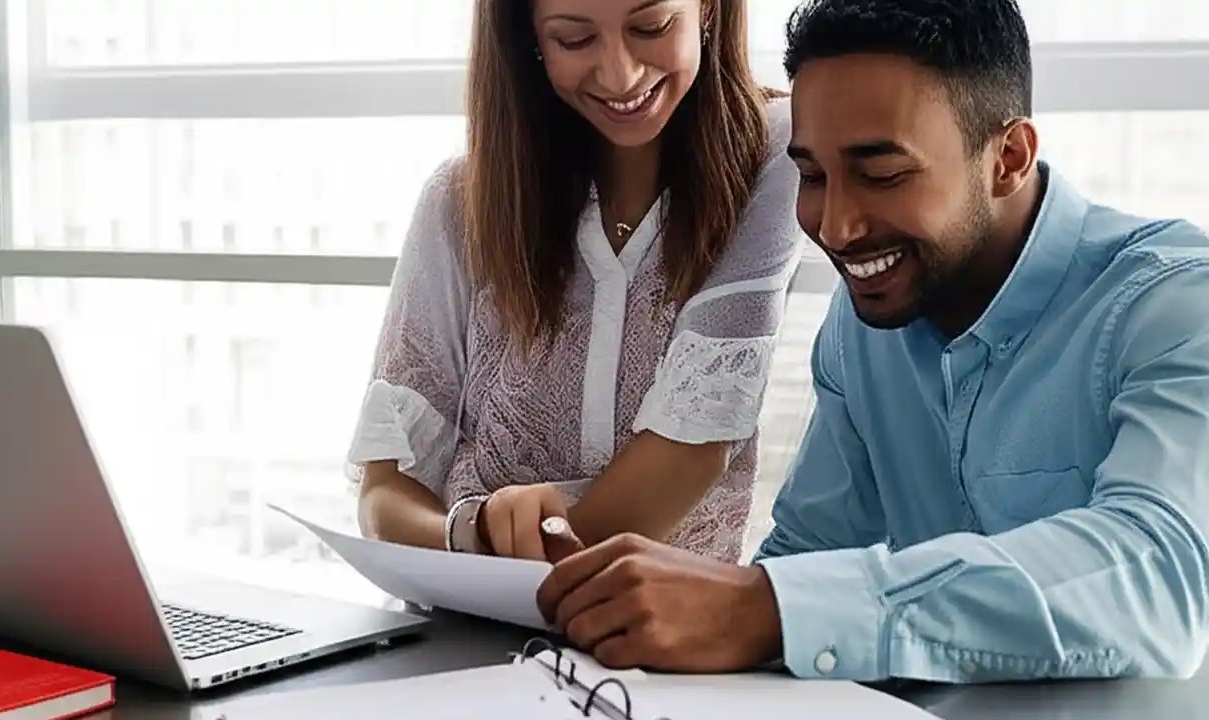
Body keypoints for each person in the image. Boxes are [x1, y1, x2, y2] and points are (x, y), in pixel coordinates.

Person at [537, 0, 1209, 683]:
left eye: (882, 174)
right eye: (813, 175)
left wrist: (771, 609)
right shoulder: (861, 330)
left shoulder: (1177, 304)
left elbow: (1164, 574)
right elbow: (808, 554)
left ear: (1008, 157)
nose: (835, 226)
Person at [346, 0, 803, 565]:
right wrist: (474, 531)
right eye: (574, 40)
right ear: (530, 39)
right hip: (460, 625)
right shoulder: (458, 200)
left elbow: (694, 441)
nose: (621, 74)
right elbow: (387, 487)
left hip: (652, 640)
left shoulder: (777, 152)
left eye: (651, 27)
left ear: (708, 7)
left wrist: (522, 564)